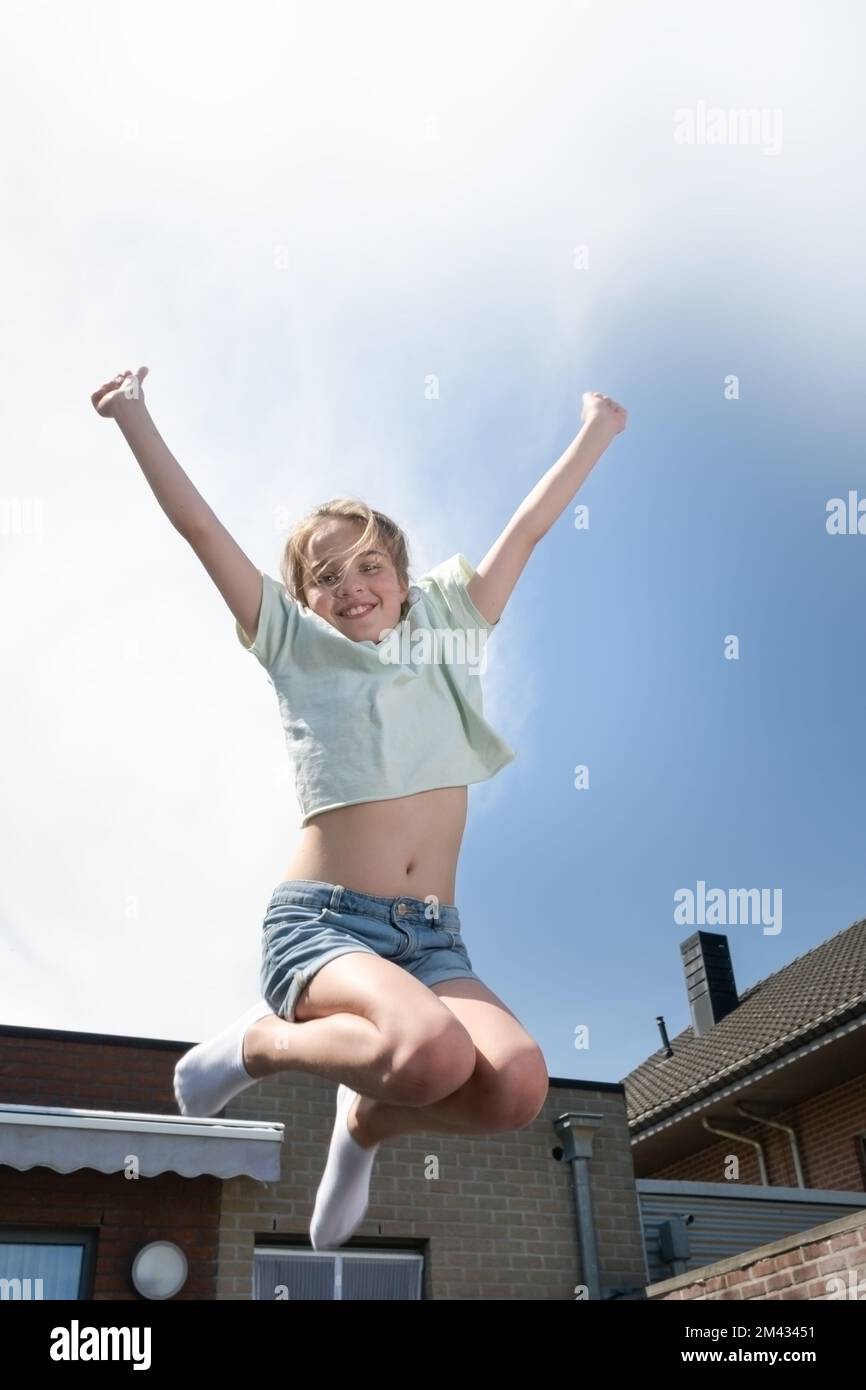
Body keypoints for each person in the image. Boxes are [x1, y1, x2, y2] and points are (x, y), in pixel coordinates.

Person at [91, 365, 628, 1250]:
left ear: (406, 579)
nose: (352, 585)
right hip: (326, 927)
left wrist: (595, 433)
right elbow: (199, 528)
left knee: (517, 1086)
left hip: (434, 939)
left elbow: (527, 531)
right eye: (326, 576)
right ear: (303, 601)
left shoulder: (450, 632)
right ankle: (260, 1047)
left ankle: (363, 1126)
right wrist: (132, 416)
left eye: (370, 565)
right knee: (429, 1053)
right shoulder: (297, 648)